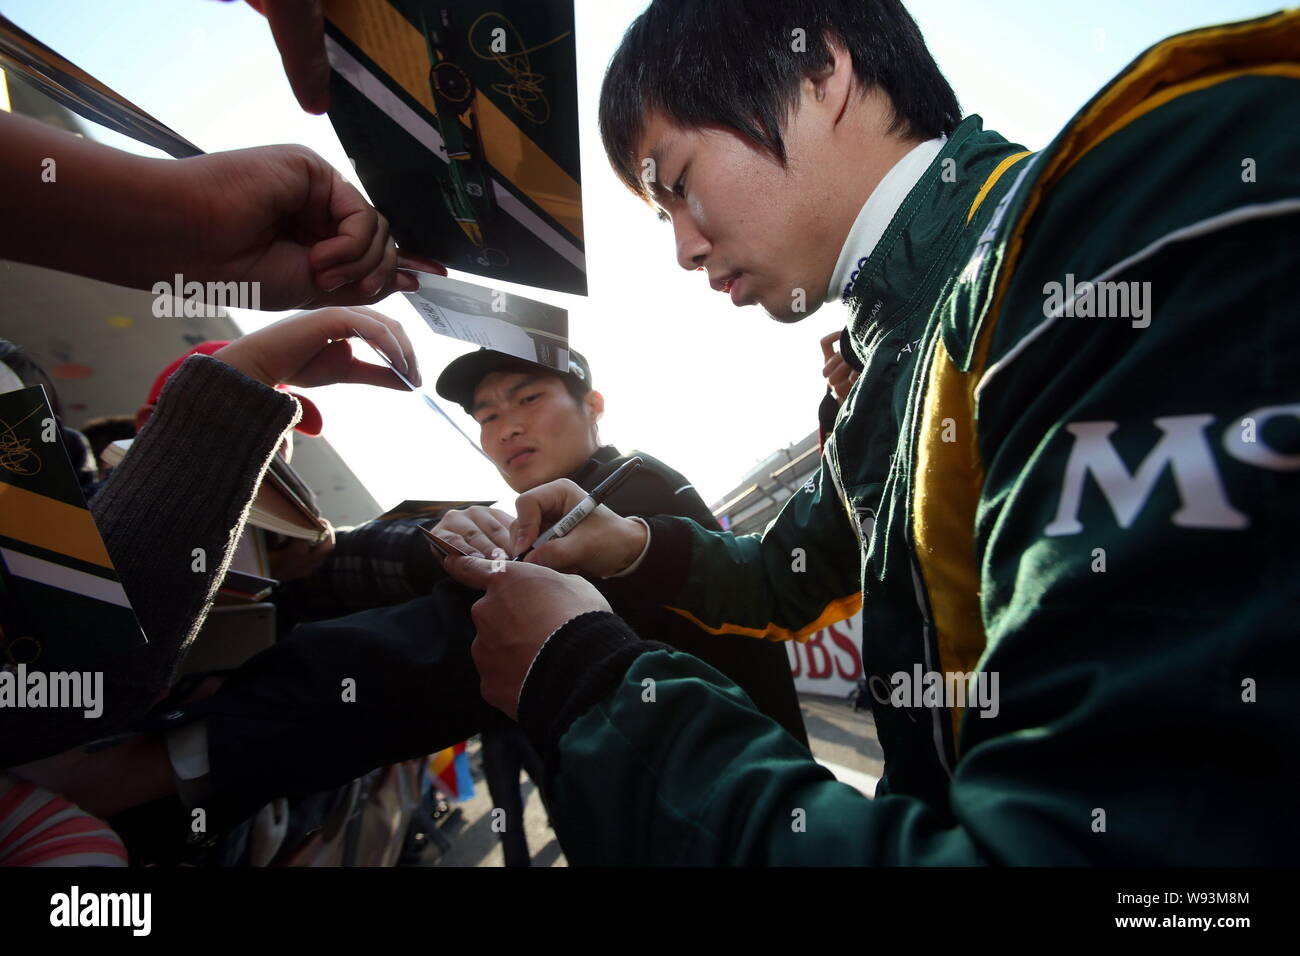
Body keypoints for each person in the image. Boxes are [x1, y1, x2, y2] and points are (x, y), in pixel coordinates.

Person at [442, 1, 1300, 865]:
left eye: (679, 182)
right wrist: (625, 545)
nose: (685, 252)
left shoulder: (1122, 217)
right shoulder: (892, 354)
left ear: (823, 72)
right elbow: (784, 579)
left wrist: (585, 683)